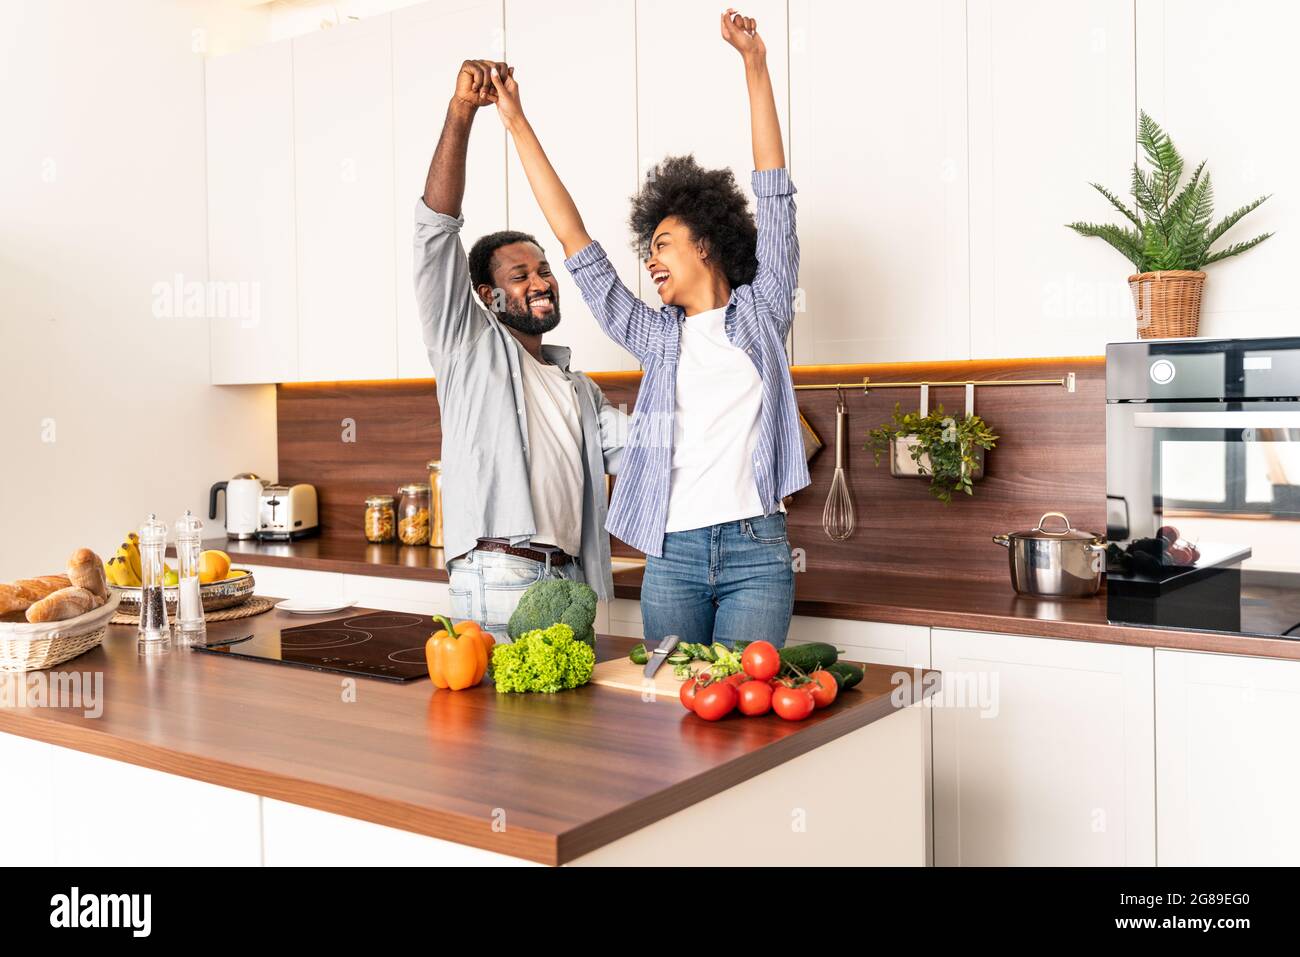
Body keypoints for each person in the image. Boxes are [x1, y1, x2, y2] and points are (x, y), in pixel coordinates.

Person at [489, 10, 806, 648]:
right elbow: (573, 238)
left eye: (663, 244)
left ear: (708, 245)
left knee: (743, 716)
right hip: (673, 555)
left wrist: (755, 65)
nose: (652, 260)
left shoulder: (764, 307)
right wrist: (516, 122)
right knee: (671, 728)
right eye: (649, 248)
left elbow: (774, 193)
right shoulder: (652, 332)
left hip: (757, 550)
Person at [415, 58, 627, 638]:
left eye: (544, 270)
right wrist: (463, 114)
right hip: (498, 568)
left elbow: (639, 451)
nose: (539, 282)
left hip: (571, 581)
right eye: (519, 275)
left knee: (568, 729)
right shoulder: (466, 342)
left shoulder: (577, 388)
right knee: (500, 729)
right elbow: (435, 231)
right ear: (486, 293)